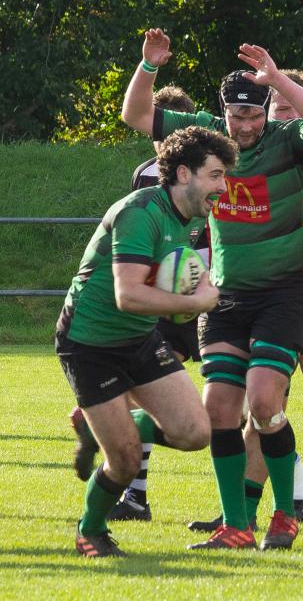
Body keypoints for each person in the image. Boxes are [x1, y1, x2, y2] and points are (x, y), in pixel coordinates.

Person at [121, 28, 303, 551]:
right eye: (235, 115)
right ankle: (237, 525)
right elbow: (136, 115)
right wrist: (149, 65)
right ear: (222, 110)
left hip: (284, 293)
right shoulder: (204, 136)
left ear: (267, 111)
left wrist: (279, 79)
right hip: (226, 296)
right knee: (219, 410)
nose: (243, 126)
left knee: (265, 404)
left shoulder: (287, 143)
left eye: (253, 115)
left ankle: (285, 515)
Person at [188, 69, 303, 533]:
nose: (288, 119)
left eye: (295, 109)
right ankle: (244, 513)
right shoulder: (250, 150)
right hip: (264, 296)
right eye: (281, 110)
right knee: (258, 407)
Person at [58, 126, 237, 557]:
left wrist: (188, 302)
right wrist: (198, 300)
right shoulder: (141, 212)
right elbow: (129, 294)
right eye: (214, 176)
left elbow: (160, 294)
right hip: (90, 343)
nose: (222, 187)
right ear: (182, 174)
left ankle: (93, 424)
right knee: (123, 459)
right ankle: (90, 530)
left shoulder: (186, 221)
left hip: (137, 339)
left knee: (195, 432)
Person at [103, 85, 200, 522]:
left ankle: (290, 493)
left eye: (170, 128)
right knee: (147, 389)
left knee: (233, 408)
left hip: (205, 290)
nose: (161, 139)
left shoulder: (206, 173)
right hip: (166, 299)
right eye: (157, 129)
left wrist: (199, 272)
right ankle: (136, 495)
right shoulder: (145, 174)